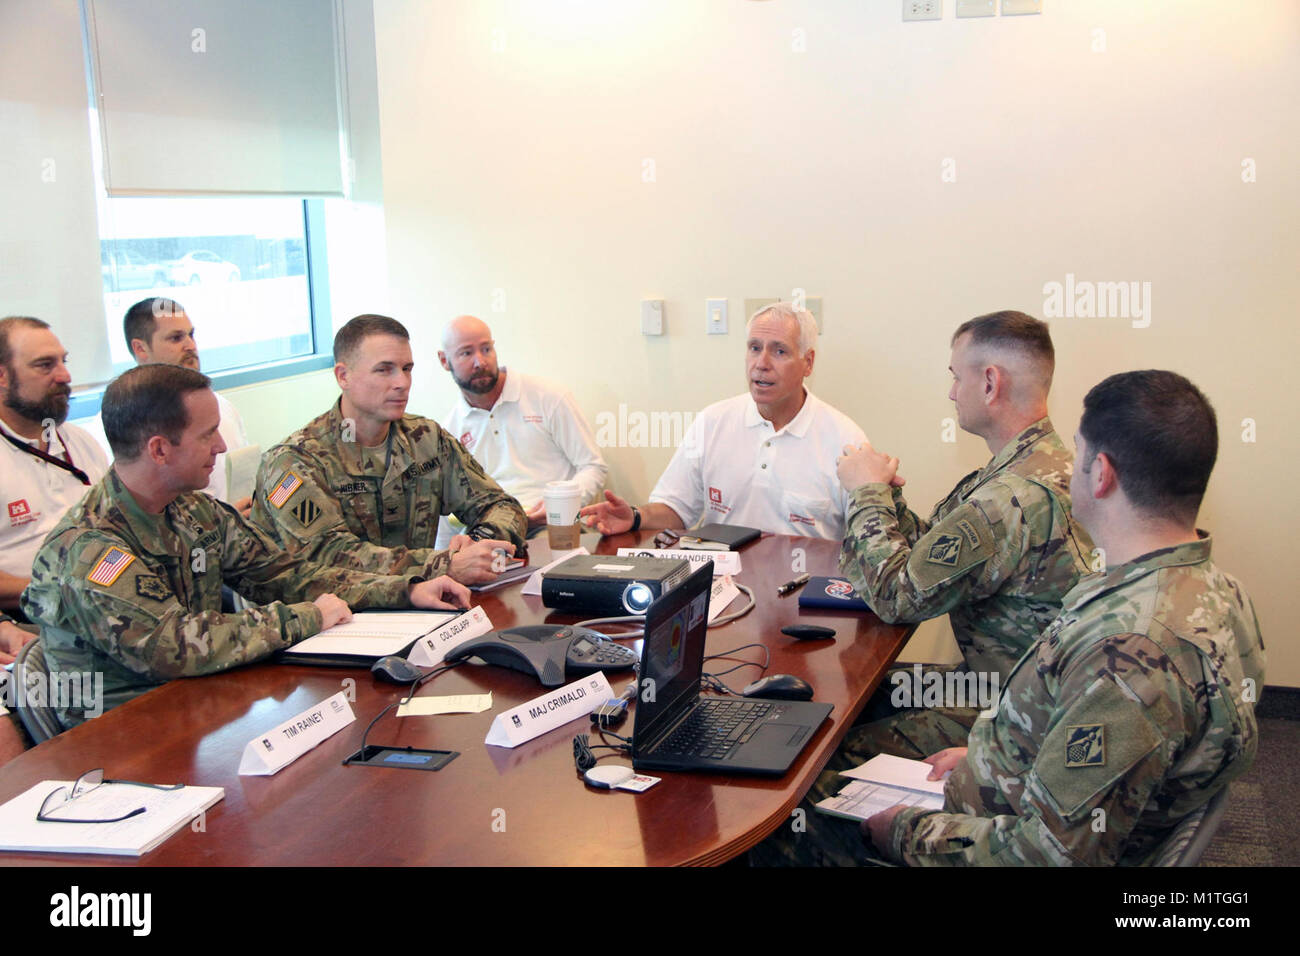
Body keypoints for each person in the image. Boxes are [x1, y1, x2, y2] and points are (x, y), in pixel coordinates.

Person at [757, 370, 1265, 866]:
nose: (1066, 467)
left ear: (1102, 474)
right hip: (1024, 788)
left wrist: (904, 832)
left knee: (782, 805)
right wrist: (990, 759)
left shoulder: (1129, 655)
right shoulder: (1215, 591)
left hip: (1000, 836)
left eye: (1078, 453)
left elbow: (1043, 855)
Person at [22, 364, 471, 729]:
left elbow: (287, 575)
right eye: (207, 434)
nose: (220, 446)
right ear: (159, 450)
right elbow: (180, 645)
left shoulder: (194, 512)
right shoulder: (87, 550)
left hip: (201, 712)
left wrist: (406, 589)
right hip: (124, 744)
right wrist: (308, 616)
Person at [833, 311, 1093, 758]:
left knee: (825, 762)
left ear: (990, 383)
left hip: (1017, 718)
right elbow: (931, 548)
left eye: (956, 378)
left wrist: (866, 493)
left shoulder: (1009, 498)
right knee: (850, 702)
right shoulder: (1042, 465)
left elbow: (898, 597)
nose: (951, 392)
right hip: (1024, 688)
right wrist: (889, 500)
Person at [252, 314, 527, 586]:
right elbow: (329, 556)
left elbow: (501, 506)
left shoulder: (426, 439)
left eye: (407, 368)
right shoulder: (293, 462)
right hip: (323, 619)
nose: (402, 383)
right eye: (384, 369)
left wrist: (478, 546)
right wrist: (446, 566)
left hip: (417, 606)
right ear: (343, 376)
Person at [580, 302, 867, 540]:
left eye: (779, 351)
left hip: (806, 596)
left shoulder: (845, 441)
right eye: (755, 348)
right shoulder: (713, 422)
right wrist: (636, 517)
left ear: (808, 362)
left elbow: (868, 546)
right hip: (724, 588)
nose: (761, 363)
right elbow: (676, 508)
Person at [437, 315, 607, 538]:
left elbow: (593, 466)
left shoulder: (548, 397)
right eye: (466, 353)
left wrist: (560, 505)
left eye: (486, 349)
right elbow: (445, 512)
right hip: (490, 532)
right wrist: (443, 562)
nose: (480, 362)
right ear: (444, 361)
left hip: (553, 525)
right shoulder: (447, 431)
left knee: (542, 549)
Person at [88, 297, 254, 514]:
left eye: (191, 335)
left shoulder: (222, 407)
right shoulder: (114, 429)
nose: (190, 346)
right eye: (176, 338)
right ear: (140, 349)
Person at [0, 317, 109, 620]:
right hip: (26, 617)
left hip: (104, 602)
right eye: (45, 365)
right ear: (2, 376)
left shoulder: (82, 442)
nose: (64, 375)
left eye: (63, 361)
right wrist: (57, 592)